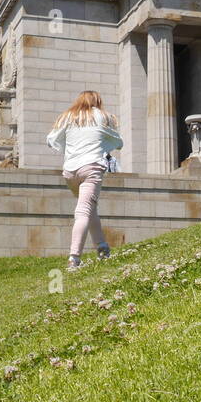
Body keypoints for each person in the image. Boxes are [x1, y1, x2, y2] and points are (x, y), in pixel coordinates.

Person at [46, 91, 122, 270]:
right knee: (83, 212)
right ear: (97, 101)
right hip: (91, 169)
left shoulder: (68, 116)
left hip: (70, 172)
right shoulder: (103, 116)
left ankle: (102, 248)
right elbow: (118, 142)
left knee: (89, 208)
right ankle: (74, 258)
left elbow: (51, 140)